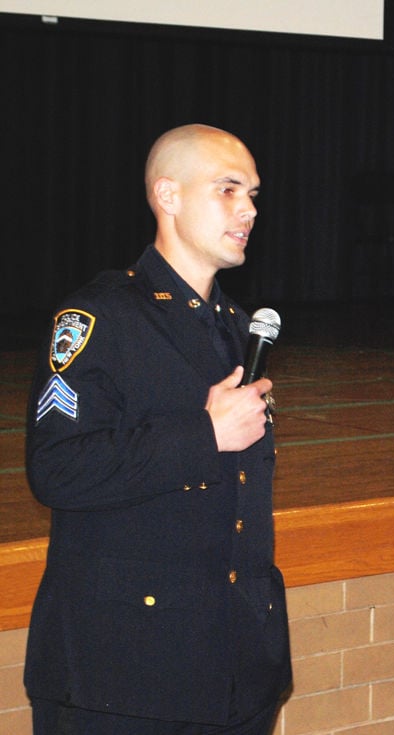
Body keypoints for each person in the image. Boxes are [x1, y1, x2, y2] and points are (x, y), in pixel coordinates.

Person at [23, 124, 292, 733]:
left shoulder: (237, 328)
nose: (249, 209)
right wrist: (204, 434)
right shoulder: (100, 317)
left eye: (253, 194)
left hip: (235, 669)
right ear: (168, 195)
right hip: (126, 676)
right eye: (228, 189)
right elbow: (57, 468)